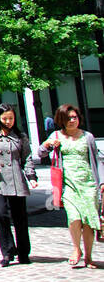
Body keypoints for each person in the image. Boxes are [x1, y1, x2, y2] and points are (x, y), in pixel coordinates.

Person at [39, 104, 103, 268]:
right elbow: (40, 153)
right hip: (68, 184)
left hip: (88, 184)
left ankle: (89, 256)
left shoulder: (87, 136)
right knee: (74, 217)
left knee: (88, 221)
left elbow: (96, 159)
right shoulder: (56, 136)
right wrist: (47, 144)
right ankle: (76, 249)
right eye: (69, 118)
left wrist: (101, 181)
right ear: (62, 120)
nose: (73, 120)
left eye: (75, 117)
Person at [0, 104, 38, 267]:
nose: (8, 121)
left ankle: (23, 252)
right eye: (5, 118)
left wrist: (31, 176)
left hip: (16, 180)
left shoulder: (20, 136)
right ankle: (8, 251)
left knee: (20, 218)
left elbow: (27, 158)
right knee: (1, 214)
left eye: (11, 118)